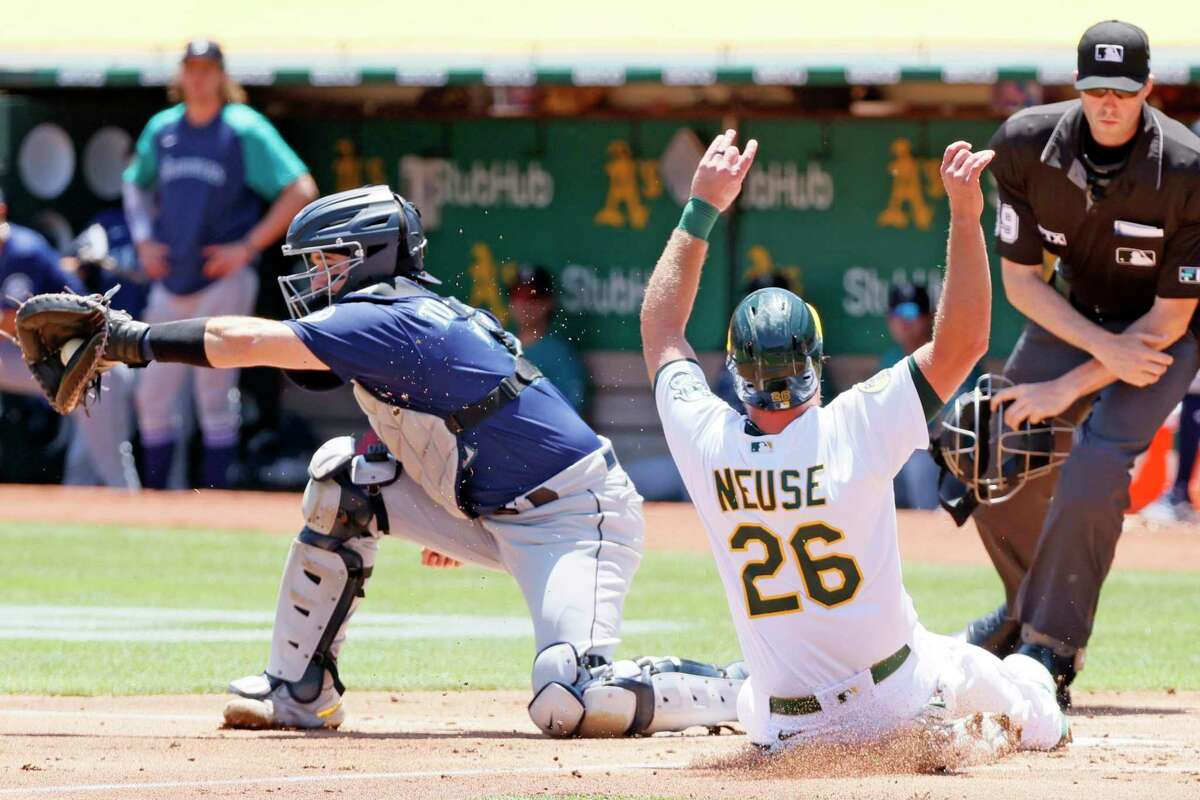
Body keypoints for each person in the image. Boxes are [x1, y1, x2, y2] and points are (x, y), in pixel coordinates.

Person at [35, 184, 745, 737]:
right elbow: (430, 427)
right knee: (345, 478)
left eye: (325, 262)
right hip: (490, 501)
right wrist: (445, 502)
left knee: (570, 699)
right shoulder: (399, 315)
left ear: (368, 256)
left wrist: (131, 338)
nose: (314, 278)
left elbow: (237, 339)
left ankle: (734, 688)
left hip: (576, 519)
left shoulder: (387, 314)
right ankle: (298, 689)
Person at [642, 129, 1066, 752]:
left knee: (752, 694)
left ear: (736, 374)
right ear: (815, 359)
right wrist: (965, 212)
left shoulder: (707, 442)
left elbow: (662, 331)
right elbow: (965, 343)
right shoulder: (855, 423)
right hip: (897, 703)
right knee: (1012, 682)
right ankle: (1029, 718)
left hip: (785, 728)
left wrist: (701, 207)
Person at [956, 20, 1200, 705]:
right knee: (987, 437)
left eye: (1123, 90)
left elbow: (1168, 323)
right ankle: (1019, 614)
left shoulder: (1187, 168)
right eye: (1095, 88)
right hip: (1079, 316)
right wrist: (1094, 353)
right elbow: (1022, 282)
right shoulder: (1028, 143)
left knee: (1095, 464)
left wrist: (1069, 384)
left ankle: (1051, 650)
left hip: (1167, 333)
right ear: (1078, 86)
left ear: (1149, 88)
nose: (1108, 103)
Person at [122, 38, 318, 489]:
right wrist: (144, 239)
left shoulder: (242, 127)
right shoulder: (164, 128)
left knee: (213, 391)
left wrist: (248, 246)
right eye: (191, 67)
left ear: (222, 75)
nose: (198, 76)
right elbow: (134, 185)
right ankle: (157, 501)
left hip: (222, 275)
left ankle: (214, 499)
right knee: (152, 392)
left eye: (207, 68)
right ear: (180, 74)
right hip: (171, 276)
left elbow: (300, 189)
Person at [0, 193, 138, 488]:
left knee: (101, 402)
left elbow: (18, 324)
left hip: (74, 352)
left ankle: (121, 496)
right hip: (35, 355)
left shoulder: (24, 251)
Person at [508, 265, 588, 414]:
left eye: (533, 297)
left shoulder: (559, 353)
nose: (525, 303)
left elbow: (572, 411)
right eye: (518, 295)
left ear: (549, 302)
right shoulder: (499, 345)